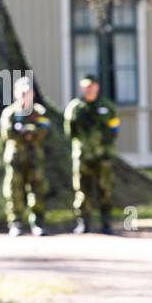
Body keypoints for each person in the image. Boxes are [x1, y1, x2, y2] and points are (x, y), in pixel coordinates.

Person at [64, 74, 120, 235]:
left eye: (91, 86)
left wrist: (104, 148)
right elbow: (70, 132)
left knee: (105, 189)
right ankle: (83, 223)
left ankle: (106, 223)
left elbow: (114, 130)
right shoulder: (75, 108)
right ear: (82, 88)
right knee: (82, 190)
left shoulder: (107, 107)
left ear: (97, 87)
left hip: (103, 156)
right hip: (83, 156)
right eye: (85, 87)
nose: (88, 90)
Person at [0, 76, 50, 237]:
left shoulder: (39, 112)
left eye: (27, 92)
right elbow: (8, 133)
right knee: (15, 192)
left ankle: (37, 223)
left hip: (35, 159)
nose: (24, 95)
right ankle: (16, 223)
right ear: (15, 93)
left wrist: (25, 130)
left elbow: (43, 131)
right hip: (15, 159)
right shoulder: (9, 112)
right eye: (21, 92)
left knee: (37, 191)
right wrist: (28, 132)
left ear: (32, 94)